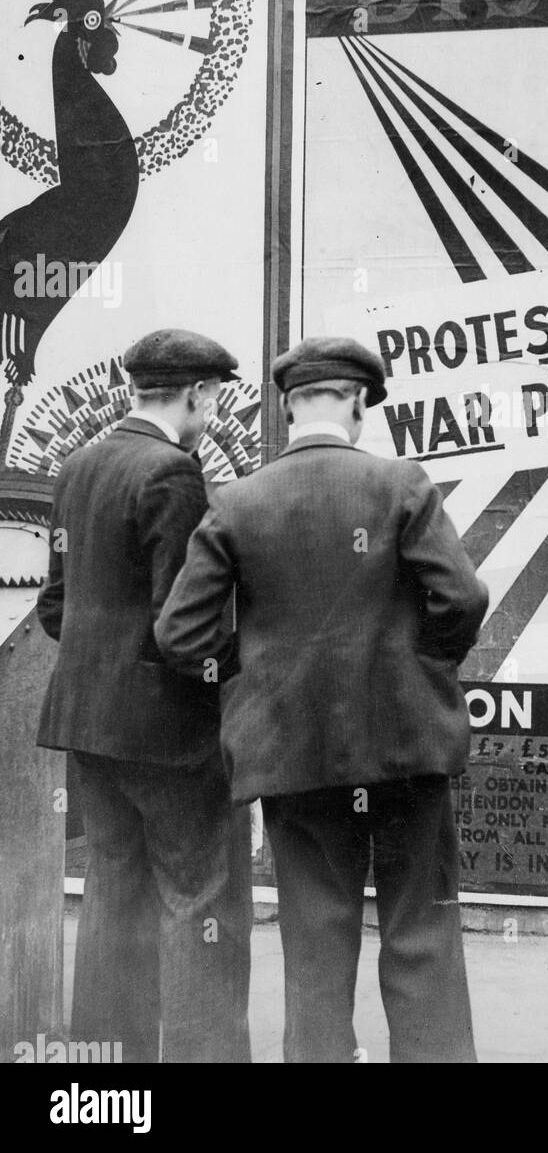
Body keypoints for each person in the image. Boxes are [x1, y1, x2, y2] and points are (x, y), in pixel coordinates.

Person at [155, 336, 489, 1064]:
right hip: (406, 743)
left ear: (287, 407)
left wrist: (257, 677)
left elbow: (181, 634)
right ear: (360, 404)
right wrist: (422, 663)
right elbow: (461, 597)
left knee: (313, 941)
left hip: (293, 750)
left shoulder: (237, 502)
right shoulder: (402, 485)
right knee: (421, 932)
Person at [36, 328, 252, 1064]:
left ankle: (106, 1081)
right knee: (200, 900)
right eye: (213, 398)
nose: (213, 414)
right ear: (195, 394)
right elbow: (181, 626)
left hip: (88, 723)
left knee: (111, 896)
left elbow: (55, 609)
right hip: (167, 732)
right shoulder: (172, 474)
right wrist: (238, 672)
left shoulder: (79, 466)